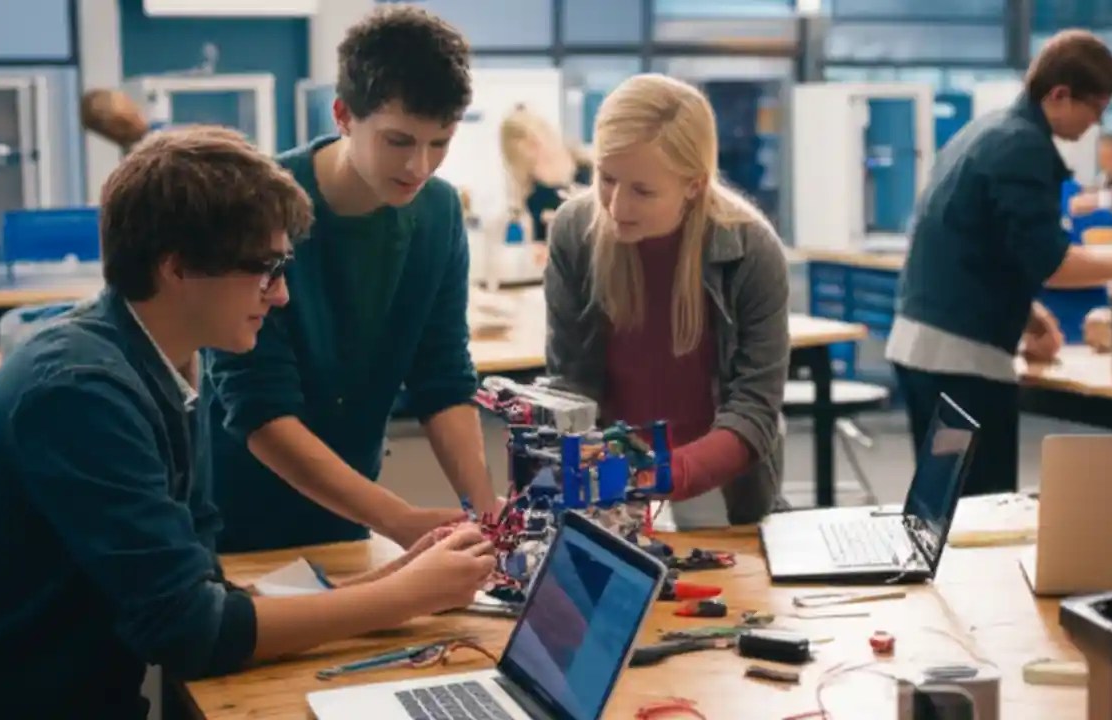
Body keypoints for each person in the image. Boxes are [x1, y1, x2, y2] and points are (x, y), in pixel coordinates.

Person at [0, 126, 495, 719]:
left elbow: (202, 590)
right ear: (177, 268)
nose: (280, 297)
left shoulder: (169, 362)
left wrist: (392, 584)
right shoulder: (80, 395)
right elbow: (189, 632)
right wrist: (403, 598)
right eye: (265, 270)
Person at [199, 5, 500, 553]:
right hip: (234, 521)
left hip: (348, 515)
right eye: (399, 141)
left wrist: (487, 515)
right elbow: (259, 407)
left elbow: (443, 374)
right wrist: (400, 520)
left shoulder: (437, 212)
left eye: (440, 143)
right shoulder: (257, 205)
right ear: (343, 115)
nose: (420, 166)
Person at [885, 29, 1112, 497]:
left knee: (944, 505)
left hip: (926, 343)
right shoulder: (1022, 146)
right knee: (982, 509)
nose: (1094, 125)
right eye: (1095, 109)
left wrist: (1027, 315)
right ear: (1060, 95)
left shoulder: (986, 131)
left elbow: (985, 246)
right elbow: (1053, 263)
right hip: (961, 358)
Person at [544, 73, 790, 528]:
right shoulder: (575, 232)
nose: (617, 207)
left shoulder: (751, 250)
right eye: (606, 178)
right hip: (611, 478)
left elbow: (755, 410)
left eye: (643, 191)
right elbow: (571, 381)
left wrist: (661, 475)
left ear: (694, 185)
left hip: (718, 481)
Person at [500, 105, 594, 246]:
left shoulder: (586, 164)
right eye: (528, 146)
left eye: (535, 142)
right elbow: (537, 241)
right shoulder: (530, 193)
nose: (537, 150)